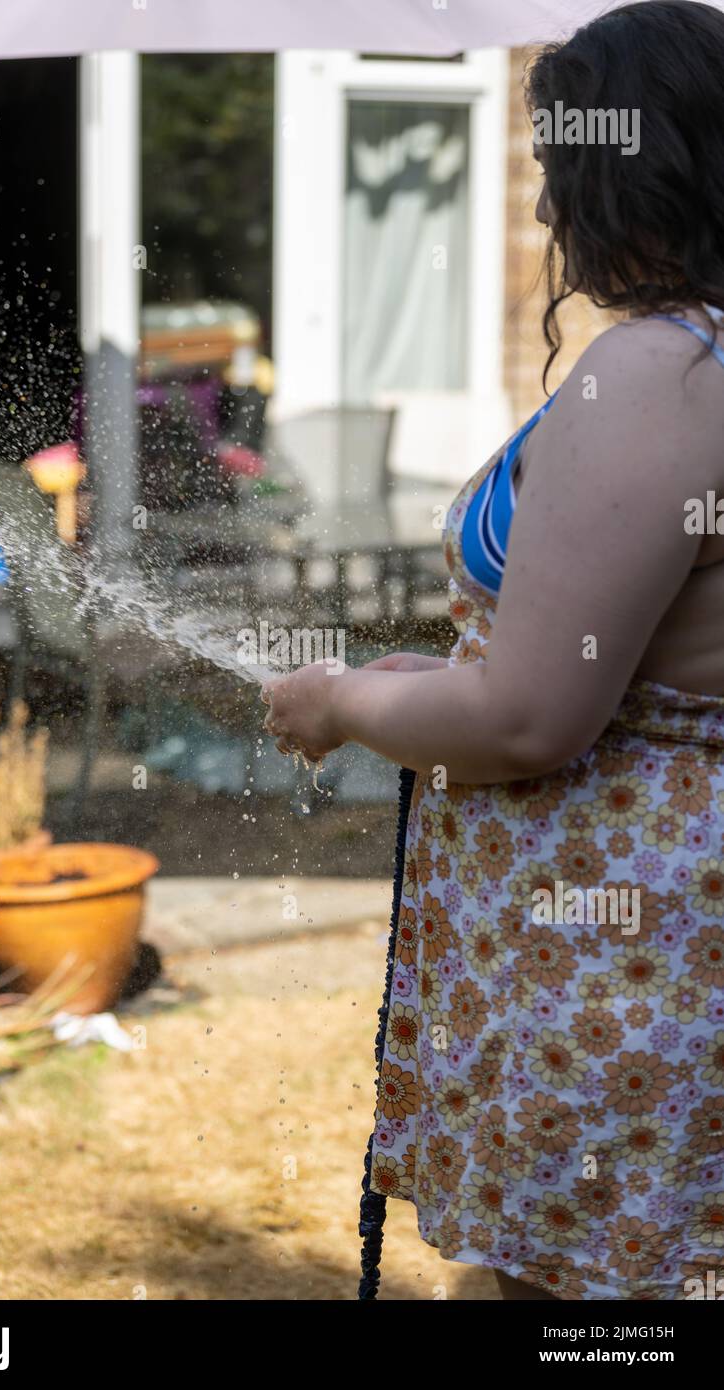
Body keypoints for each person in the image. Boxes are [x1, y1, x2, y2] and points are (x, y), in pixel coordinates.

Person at [261, 0, 724, 1300]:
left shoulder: (658, 376)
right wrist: (434, 689)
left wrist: (347, 701)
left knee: (580, 1291)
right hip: (664, 939)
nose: (544, 211)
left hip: (619, 964)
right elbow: (642, 679)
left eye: (554, 170)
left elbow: (531, 720)